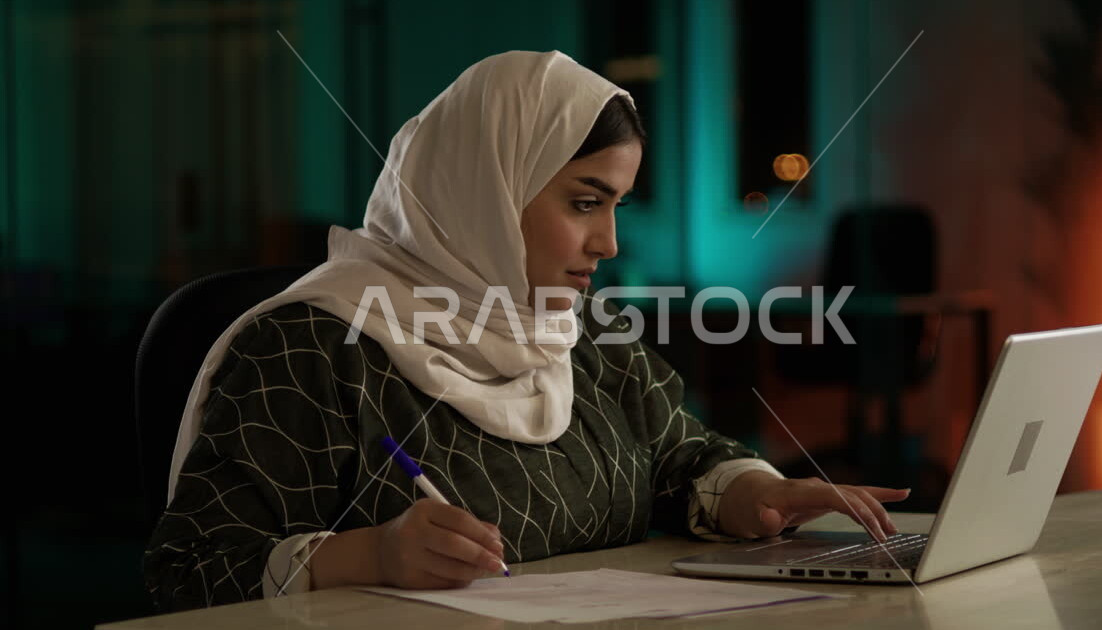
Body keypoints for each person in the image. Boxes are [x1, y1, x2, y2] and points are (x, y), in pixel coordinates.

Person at [144, 50, 908, 612]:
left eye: (618, 205)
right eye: (584, 202)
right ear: (486, 191)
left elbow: (679, 455)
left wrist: (758, 493)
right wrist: (367, 553)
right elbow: (188, 569)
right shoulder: (312, 349)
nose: (608, 243)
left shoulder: (577, 328)